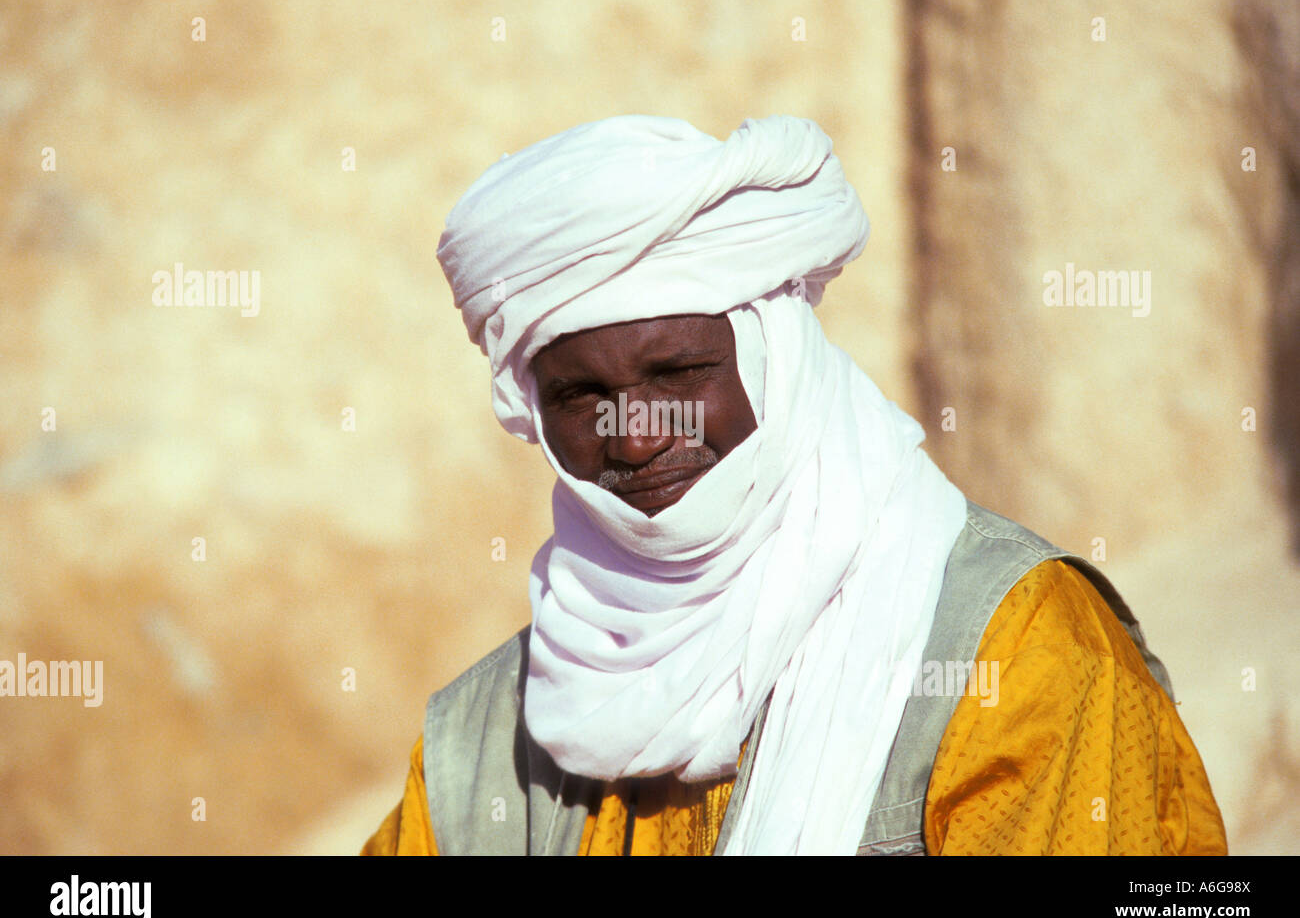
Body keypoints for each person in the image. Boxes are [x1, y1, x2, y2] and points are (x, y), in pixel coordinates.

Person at [362, 115, 1227, 855]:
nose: (636, 433)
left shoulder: (1010, 655)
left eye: (678, 371)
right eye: (581, 395)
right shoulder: (481, 743)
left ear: (778, 360)